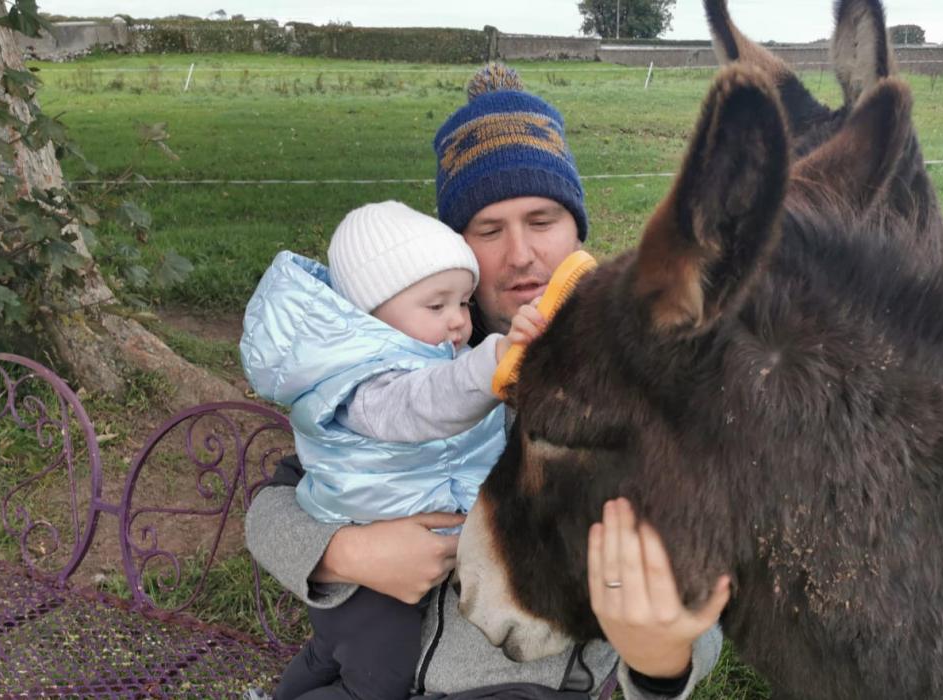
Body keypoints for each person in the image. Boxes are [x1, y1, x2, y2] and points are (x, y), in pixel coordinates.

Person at [245, 64, 727, 700]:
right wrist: (345, 555)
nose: (521, 254)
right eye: (489, 230)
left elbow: (700, 587)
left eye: (543, 219)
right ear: (458, 248)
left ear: (577, 228)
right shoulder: (422, 359)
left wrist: (662, 661)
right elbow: (279, 501)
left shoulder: (645, 377)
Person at [241, 201, 546, 700]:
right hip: (370, 582)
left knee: (325, 655)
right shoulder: (370, 384)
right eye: (436, 305)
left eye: (463, 303)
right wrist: (495, 361)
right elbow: (424, 404)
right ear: (369, 316)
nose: (457, 322)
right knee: (376, 685)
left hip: (390, 578)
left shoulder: (432, 355)